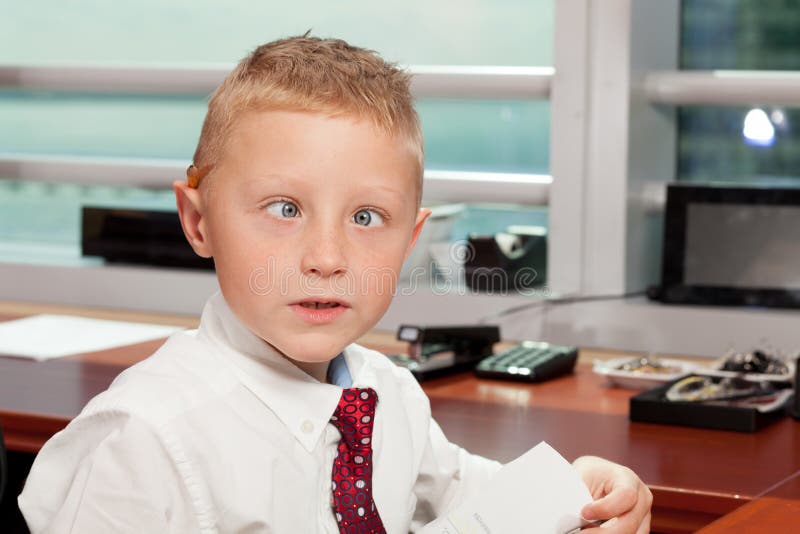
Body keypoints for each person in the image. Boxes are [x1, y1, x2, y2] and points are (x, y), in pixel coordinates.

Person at [18, 36, 652, 533]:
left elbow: (470, 499)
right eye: (285, 209)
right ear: (198, 221)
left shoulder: (389, 395)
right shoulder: (142, 440)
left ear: (410, 241)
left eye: (367, 217)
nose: (327, 257)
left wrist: (581, 492)